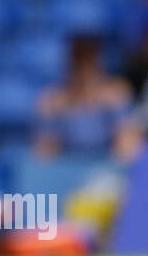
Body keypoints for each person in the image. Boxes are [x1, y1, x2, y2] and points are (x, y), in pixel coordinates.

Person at [34, 34, 142, 162]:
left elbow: (129, 149)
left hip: (106, 171)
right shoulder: (52, 99)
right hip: (68, 168)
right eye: (78, 61)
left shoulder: (116, 94)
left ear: (98, 63)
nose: (84, 68)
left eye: (89, 61)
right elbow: (43, 153)